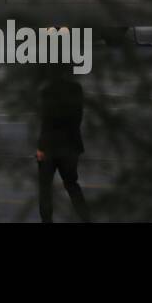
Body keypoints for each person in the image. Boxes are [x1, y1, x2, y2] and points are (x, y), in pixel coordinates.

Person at [36, 65, 91, 223]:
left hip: (50, 147)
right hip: (71, 145)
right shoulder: (76, 89)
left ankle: (47, 221)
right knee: (72, 184)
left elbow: (47, 121)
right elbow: (78, 117)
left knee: (46, 189)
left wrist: (41, 147)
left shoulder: (47, 90)